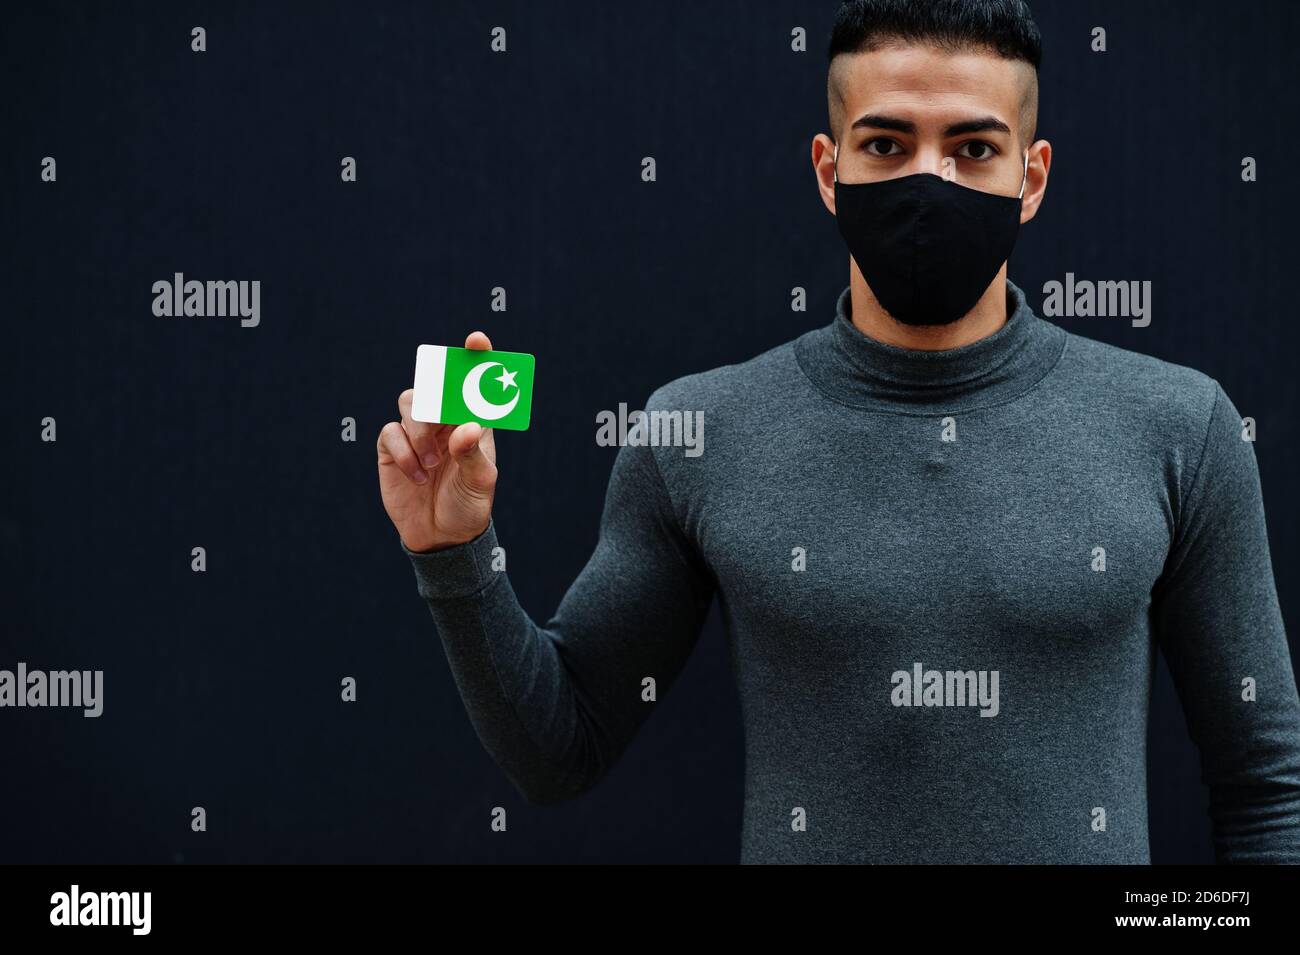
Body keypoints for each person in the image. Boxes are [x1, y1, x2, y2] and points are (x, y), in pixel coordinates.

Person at [375, 0, 1300, 863]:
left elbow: (1268, 783)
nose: (929, 183)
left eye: (974, 148)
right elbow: (559, 748)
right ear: (830, 170)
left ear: (1031, 176)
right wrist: (454, 547)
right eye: (887, 143)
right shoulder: (699, 430)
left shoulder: (1178, 424)